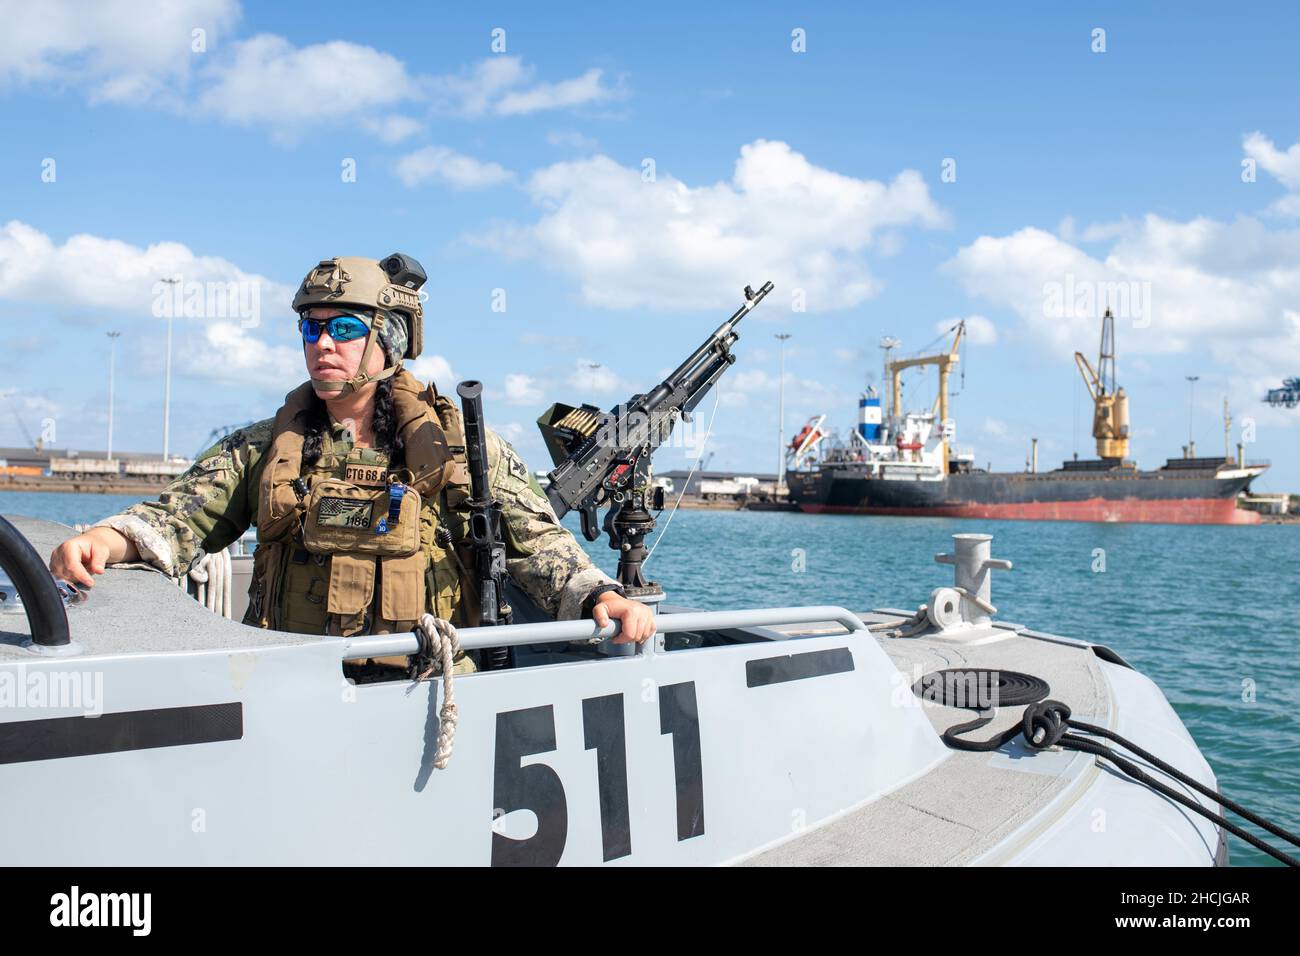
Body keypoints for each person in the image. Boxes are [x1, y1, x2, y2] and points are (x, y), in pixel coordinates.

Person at [48, 253, 656, 670]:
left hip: (429, 688)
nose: (323, 344)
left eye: (342, 327)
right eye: (311, 330)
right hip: (294, 686)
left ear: (389, 338)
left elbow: (536, 543)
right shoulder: (265, 447)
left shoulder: (463, 446)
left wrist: (601, 595)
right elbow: (178, 520)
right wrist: (106, 538)